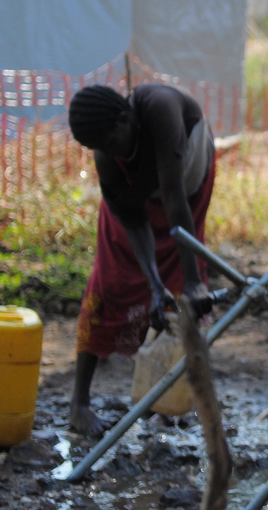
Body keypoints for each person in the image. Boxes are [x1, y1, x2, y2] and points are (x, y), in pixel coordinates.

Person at [67, 83, 215, 437]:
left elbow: (176, 201)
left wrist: (193, 281)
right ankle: (79, 405)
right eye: (97, 148)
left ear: (125, 120)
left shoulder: (160, 109)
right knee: (110, 283)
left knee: (184, 290)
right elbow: (131, 218)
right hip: (141, 204)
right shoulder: (107, 154)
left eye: (108, 142)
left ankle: (173, 396)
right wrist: (153, 285)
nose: (105, 152)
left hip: (186, 195)